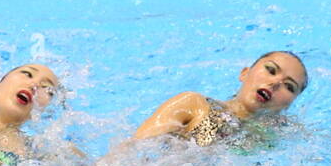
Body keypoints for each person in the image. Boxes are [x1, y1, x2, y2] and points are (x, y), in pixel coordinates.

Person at [128, 51, 308, 147]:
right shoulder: (195, 105)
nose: (276, 82)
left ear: (288, 106)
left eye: (289, 86)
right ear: (244, 73)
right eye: (271, 70)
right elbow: (135, 149)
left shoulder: (270, 141)